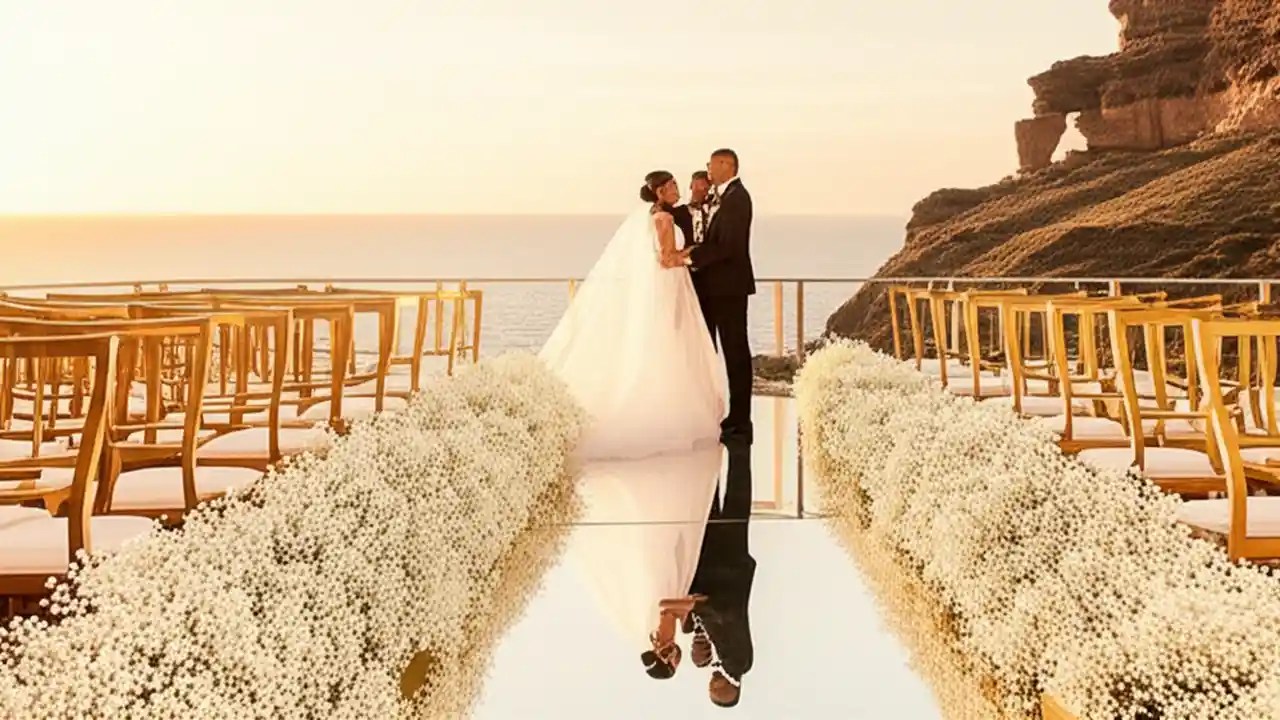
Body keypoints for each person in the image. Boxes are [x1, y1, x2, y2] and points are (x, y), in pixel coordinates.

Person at [539, 170, 726, 460]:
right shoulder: (663, 219)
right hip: (668, 285)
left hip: (668, 286)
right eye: (672, 186)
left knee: (665, 344)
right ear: (660, 192)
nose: (678, 190)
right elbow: (666, 259)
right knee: (668, 344)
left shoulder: (653, 217)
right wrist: (693, 253)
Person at [681, 149, 756, 443]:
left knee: (735, 351)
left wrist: (690, 257)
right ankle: (716, 413)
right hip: (714, 287)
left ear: (726, 164)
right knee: (710, 348)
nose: (707, 169)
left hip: (730, 287)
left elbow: (728, 246)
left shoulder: (738, 198)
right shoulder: (721, 197)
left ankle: (740, 419)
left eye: (711, 163)